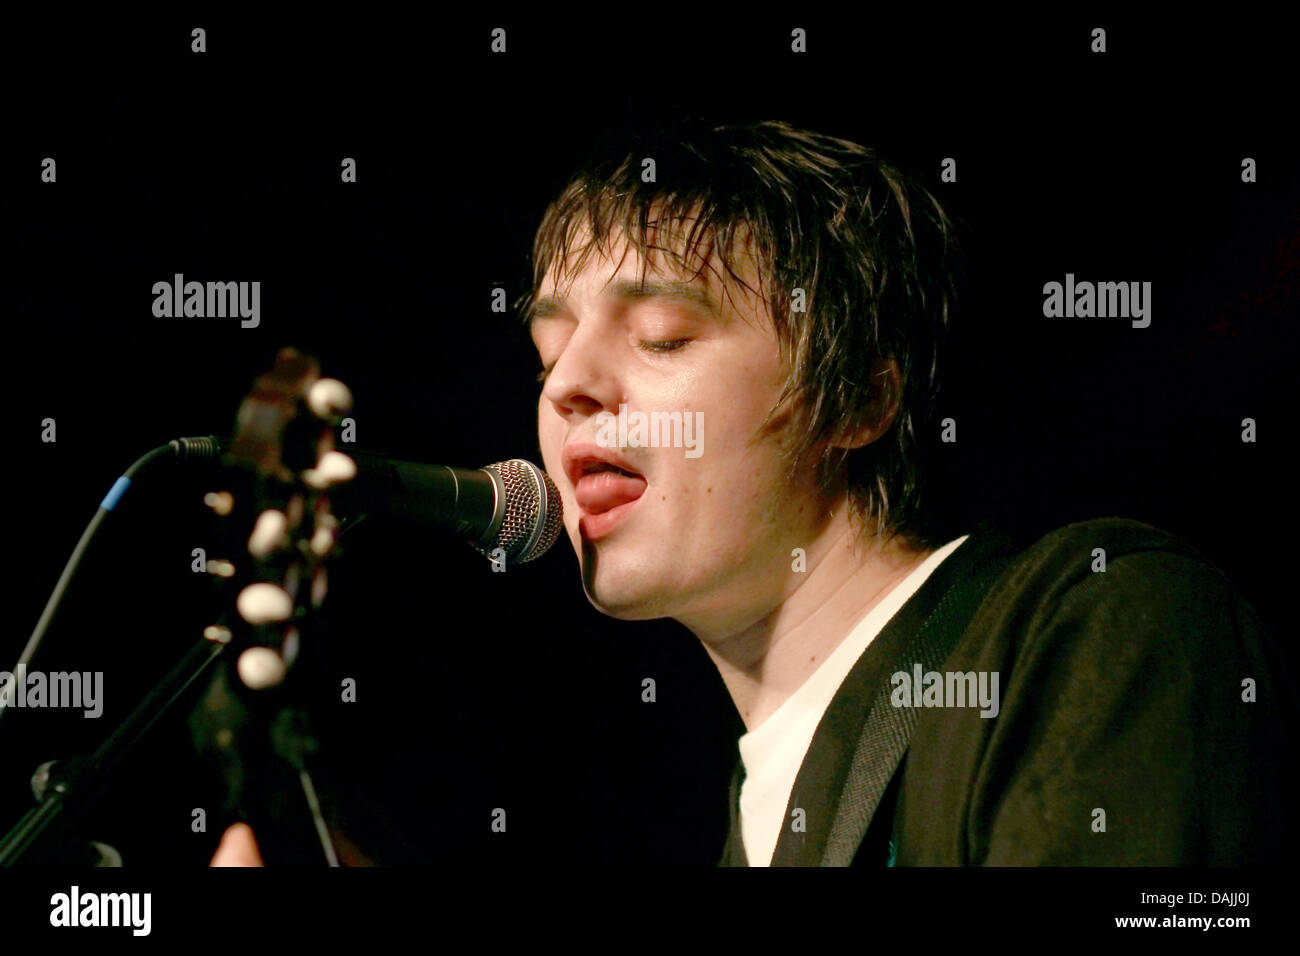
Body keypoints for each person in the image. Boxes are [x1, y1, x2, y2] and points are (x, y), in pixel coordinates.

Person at [213, 117, 1292, 866]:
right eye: (547, 354)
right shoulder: (754, 809)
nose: (570, 389)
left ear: (858, 398)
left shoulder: (1102, 621)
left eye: (662, 335)